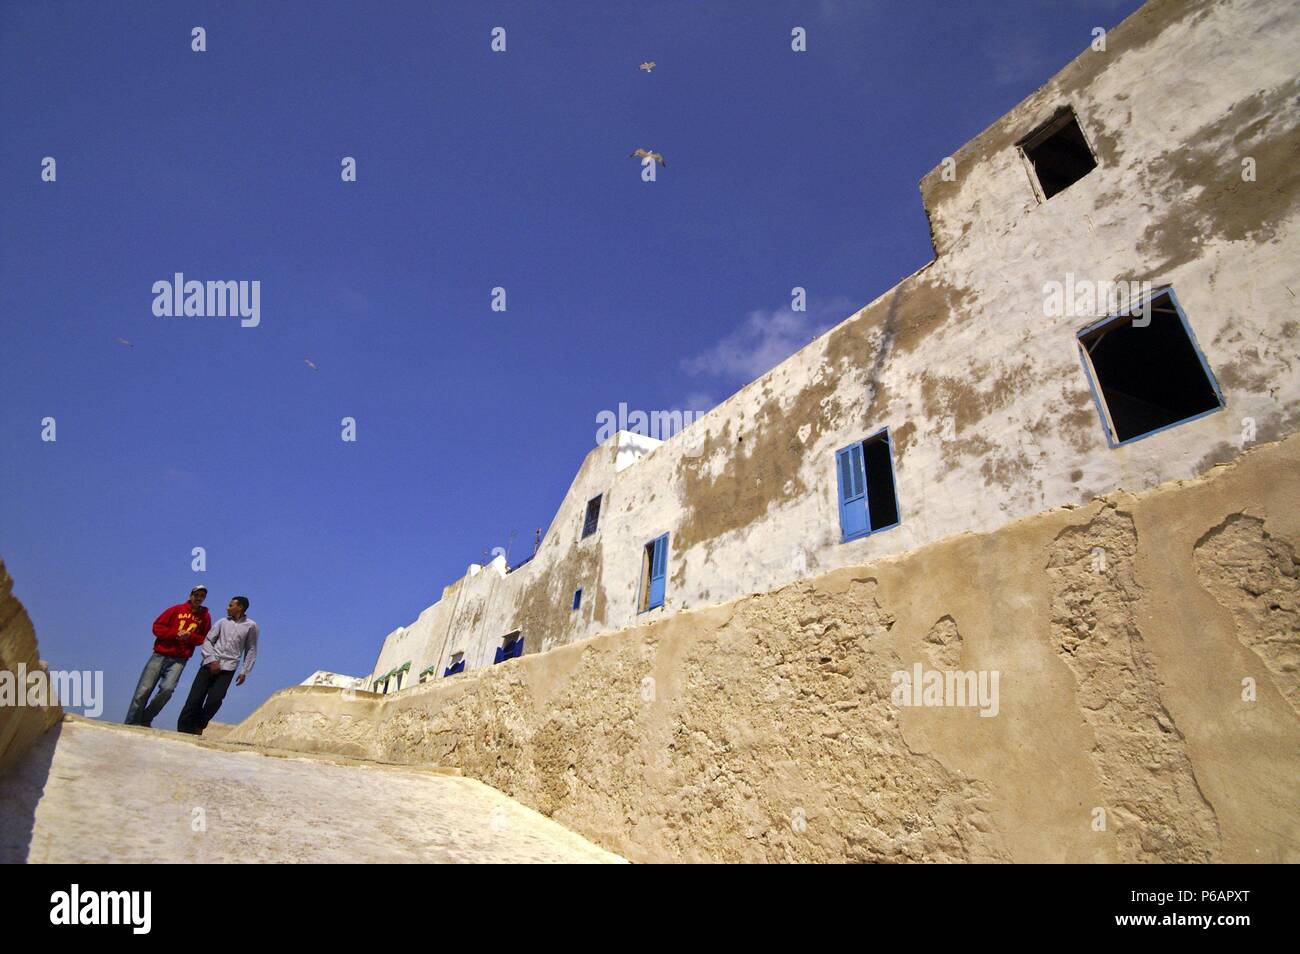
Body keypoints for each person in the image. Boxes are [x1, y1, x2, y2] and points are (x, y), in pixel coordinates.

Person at [124, 585, 212, 727]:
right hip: (160, 654)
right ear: (191, 595)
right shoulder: (176, 609)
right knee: (144, 690)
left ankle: (146, 718)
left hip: (180, 659)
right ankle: (132, 722)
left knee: (168, 689)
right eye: (197, 594)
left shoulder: (205, 617)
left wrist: (190, 637)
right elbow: (157, 627)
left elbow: (205, 637)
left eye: (202, 596)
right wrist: (175, 634)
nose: (199, 598)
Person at [177, 596, 258, 735]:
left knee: (215, 700)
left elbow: (251, 649)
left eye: (231, 605)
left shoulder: (251, 626)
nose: (227, 607)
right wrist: (212, 660)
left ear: (240, 607)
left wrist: (245, 671)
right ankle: (183, 730)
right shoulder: (221, 622)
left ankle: (199, 726)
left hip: (229, 667)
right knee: (195, 698)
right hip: (209, 664)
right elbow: (208, 641)